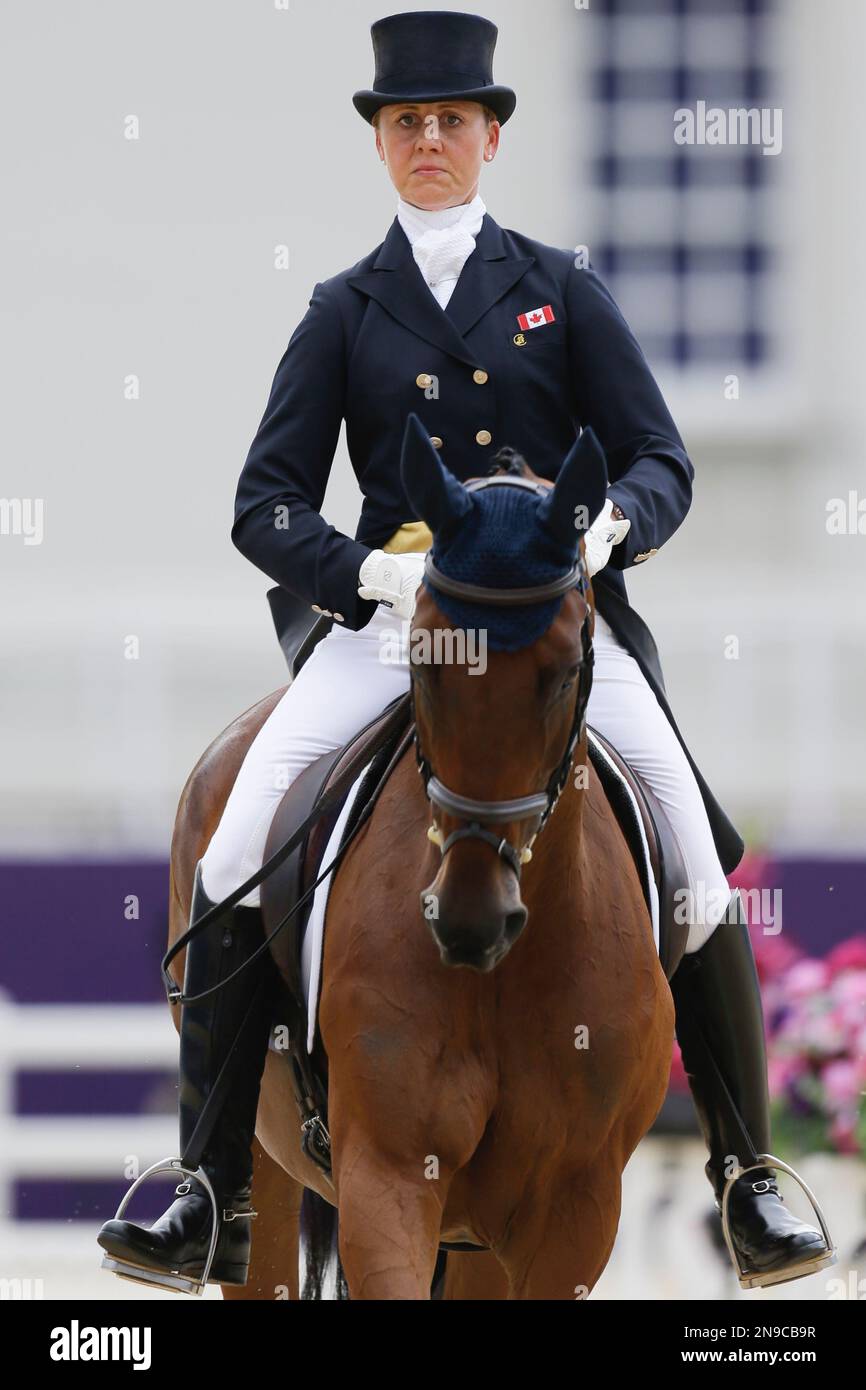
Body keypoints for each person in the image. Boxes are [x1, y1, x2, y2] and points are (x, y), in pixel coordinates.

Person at [98, 10, 829, 1291]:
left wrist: (611, 530)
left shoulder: (560, 288)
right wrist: (366, 572)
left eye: (449, 121)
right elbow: (262, 502)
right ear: (382, 145)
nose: (428, 141)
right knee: (230, 840)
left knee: (691, 845)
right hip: (400, 631)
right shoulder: (344, 308)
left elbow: (661, 456)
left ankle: (743, 1168)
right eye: (405, 124)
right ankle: (206, 1183)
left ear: (489, 136)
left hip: (552, 625)